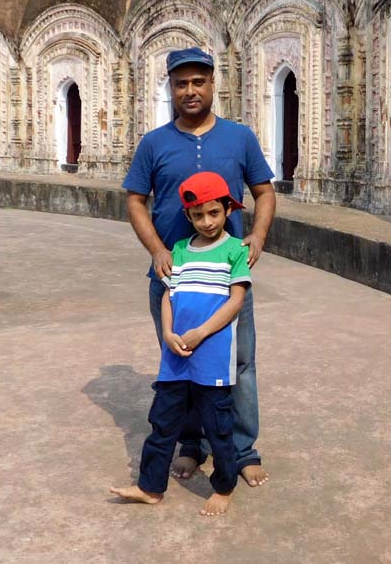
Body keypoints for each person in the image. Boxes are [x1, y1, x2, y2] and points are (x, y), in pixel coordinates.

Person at [123, 47, 276, 487]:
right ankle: (193, 446)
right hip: (173, 280)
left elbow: (264, 192)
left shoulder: (238, 138)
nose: (189, 91)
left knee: (239, 364)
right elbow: (135, 200)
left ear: (213, 84)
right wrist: (156, 249)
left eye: (198, 82)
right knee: (182, 360)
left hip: (225, 282)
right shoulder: (155, 143)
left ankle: (243, 450)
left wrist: (259, 236)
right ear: (171, 88)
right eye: (180, 83)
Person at [110, 172, 251, 516]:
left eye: (214, 213)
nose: (207, 221)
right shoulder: (179, 251)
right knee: (162, 423)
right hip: (175, 357)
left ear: (228, 211)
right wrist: (169, 334)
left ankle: (223, 487)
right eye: (198, 215)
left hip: (213, 357)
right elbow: (168, 298)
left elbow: (236, 301)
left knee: (218, 427)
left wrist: (201, 332)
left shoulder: (235, 250)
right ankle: (150, 486)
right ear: (187, 216)